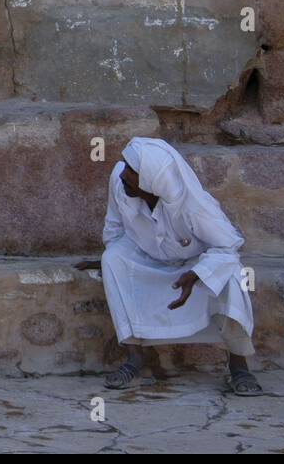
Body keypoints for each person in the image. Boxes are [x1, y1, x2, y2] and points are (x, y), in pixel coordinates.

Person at [99, 137, 261, 395]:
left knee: (233, 275)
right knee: (112, 259)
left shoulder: (194, 207)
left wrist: (198, 274)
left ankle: (239, 366)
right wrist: (114, 255)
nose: (123, 174)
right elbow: (114, 228)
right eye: (125, 165)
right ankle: (134, 357)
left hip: (194, 263)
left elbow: (229, 246)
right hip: (145, 257)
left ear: (152, 180)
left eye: (131, 171)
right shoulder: (119, 180)